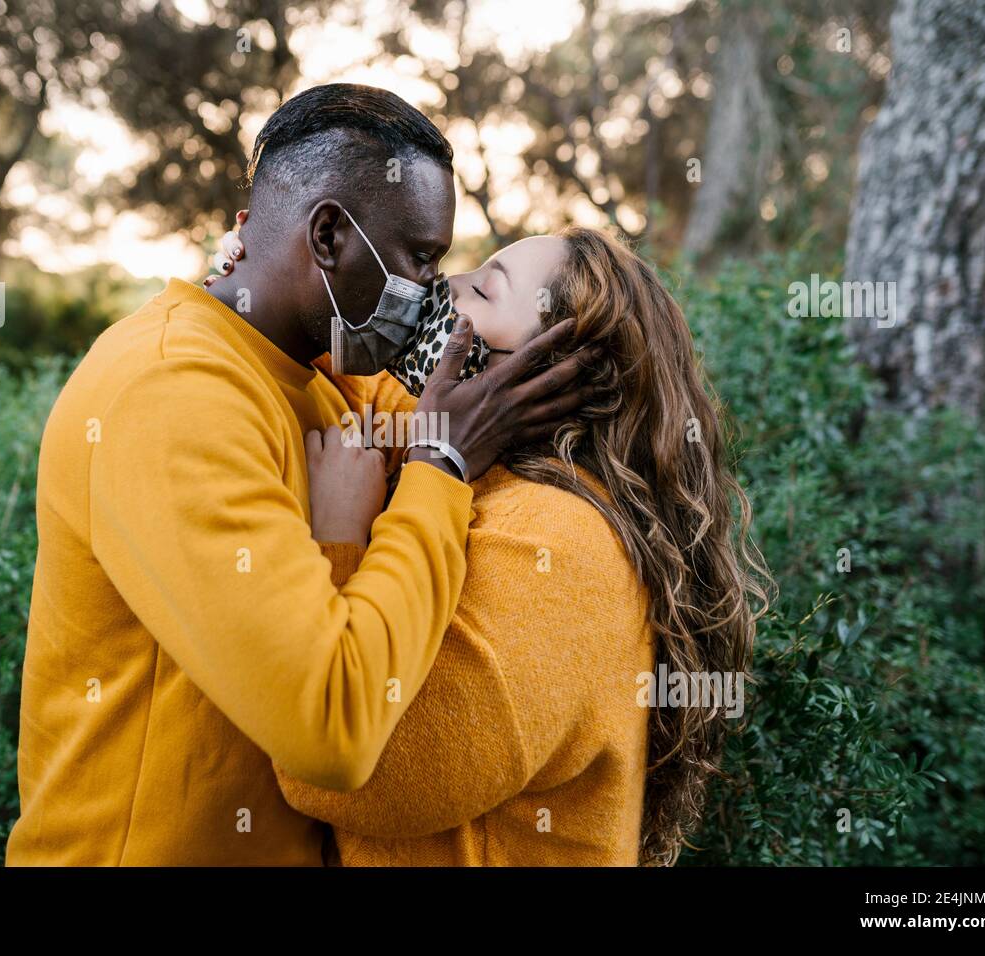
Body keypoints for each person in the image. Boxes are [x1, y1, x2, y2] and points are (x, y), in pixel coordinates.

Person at [5, 84, 590, 865]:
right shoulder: (169, 393)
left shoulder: (317, 375)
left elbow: (443, 399)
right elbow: (333, 726)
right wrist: (439, 465)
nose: (432, 295)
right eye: (421, 258)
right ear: (327, 236)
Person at [254, 228, 771, 865]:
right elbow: (350, 376)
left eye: (483, 289)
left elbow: (349, 775)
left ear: (543, 375)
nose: (443, 288)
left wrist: (339, 540)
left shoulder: (559, 546)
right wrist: (268, 269)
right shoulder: (491, 474)